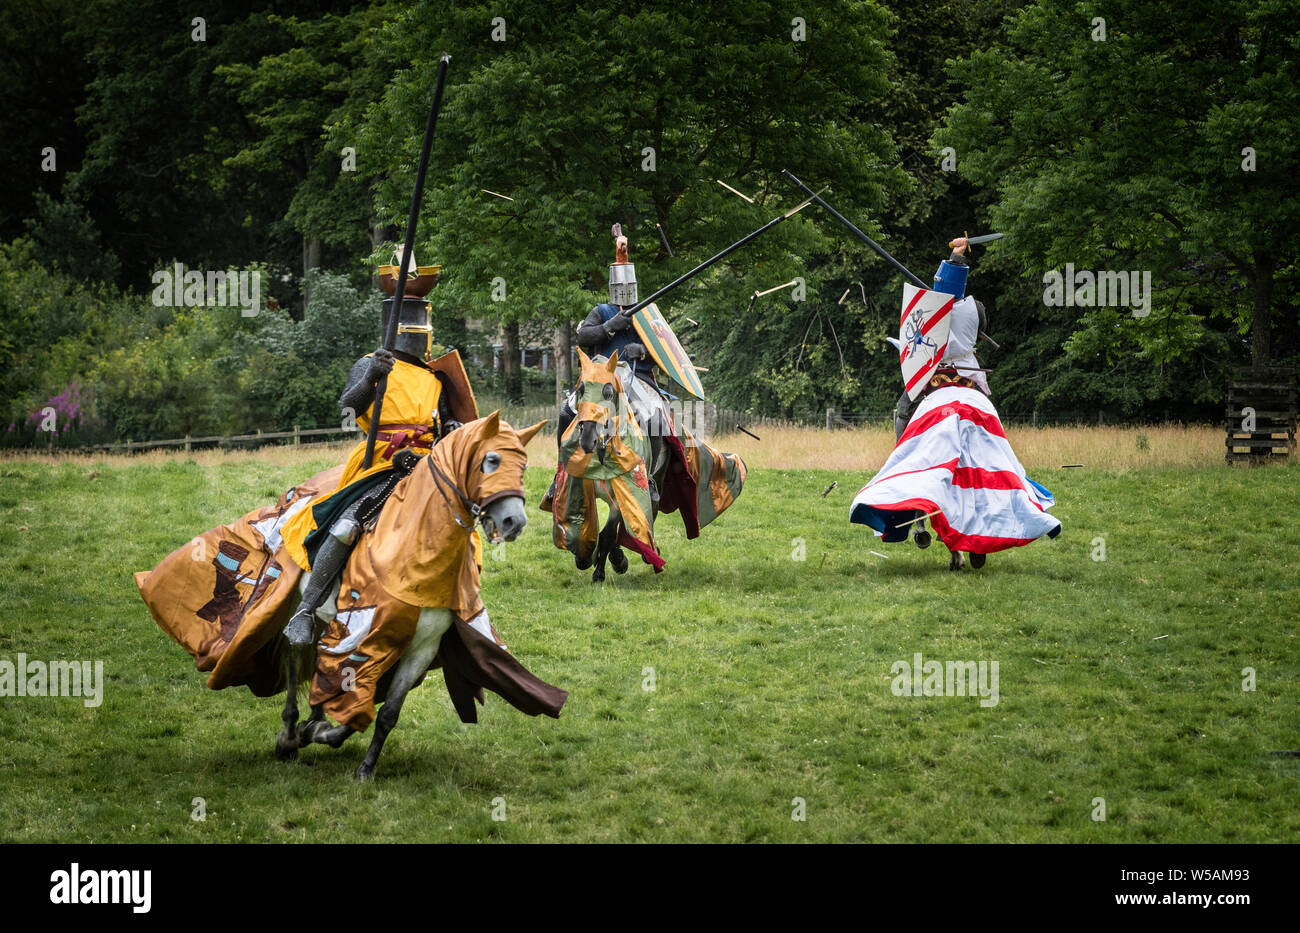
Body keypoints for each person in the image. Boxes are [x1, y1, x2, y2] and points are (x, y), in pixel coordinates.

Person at [280, 281, 462, 647]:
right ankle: (307, 609)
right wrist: (371, 378)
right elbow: (348, 408)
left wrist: (452, 429)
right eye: (414, 330)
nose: (420, 337)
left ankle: (460, 614)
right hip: (380, 465)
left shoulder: (435, 379)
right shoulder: (372, 363)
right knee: (349, 524)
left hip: (426, 468)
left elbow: (444, 428)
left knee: (461, 522)